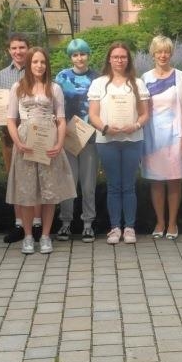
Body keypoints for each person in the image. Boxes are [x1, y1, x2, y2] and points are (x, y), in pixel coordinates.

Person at [5, 48, 77, 254]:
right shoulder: (17, 87)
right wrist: (18, 142)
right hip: (26, 142)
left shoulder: (54, 88)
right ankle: (28, 236)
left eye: (42, 62)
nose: (39, 66)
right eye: (35, 62)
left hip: (48, 141)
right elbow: (10, 119)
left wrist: (59, 143)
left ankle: (45, 236)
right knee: (26, 191)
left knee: (49, 191)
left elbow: (61, 119)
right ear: (28, 64)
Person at [88, 42, 150, 245]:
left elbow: (145, 114)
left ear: (128, 60)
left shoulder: (138, 83)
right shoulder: (99, 83)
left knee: (129, 185)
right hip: (107, 141)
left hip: (132, 140)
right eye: (115, 57)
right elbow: (93, 115)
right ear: (109, 59)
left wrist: (136, 125)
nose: (119, 60)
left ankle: (130, 227)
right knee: (114, 186)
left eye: (123, 57)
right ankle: (115, 227)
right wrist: (105, 128)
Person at [141, 36, 182, 239]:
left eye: (166, 51)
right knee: (156, 182)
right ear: (153, 53)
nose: (162, 55)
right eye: (159, 51)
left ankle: (172, 223)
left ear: (171, 53)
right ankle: (160, 222)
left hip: (174, 137)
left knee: (173, 181)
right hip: (152, 138)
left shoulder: (179, 76)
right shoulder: (144, 78)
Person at [56, 38, 99, 243]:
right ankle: (65, 222)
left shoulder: (97, 77)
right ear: (71, 57)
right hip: (68, 136)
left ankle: (88, 223)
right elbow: (56, 105)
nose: (79, 58)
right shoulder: (61, 77)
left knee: (88, 183)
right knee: (68, 181)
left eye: (82, 54)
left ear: (88, 55)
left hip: (90, 137)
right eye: (75, 55)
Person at [0, 33, 30, 244]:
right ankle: (18, 224)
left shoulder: (36, 71)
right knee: (15, 180)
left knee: (35, 179)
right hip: (9, 135)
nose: (18, 52)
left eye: (22, 47)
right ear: (9, 51)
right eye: (14, 48)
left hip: (34, 136)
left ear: (28, 48)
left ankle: (35, 223)